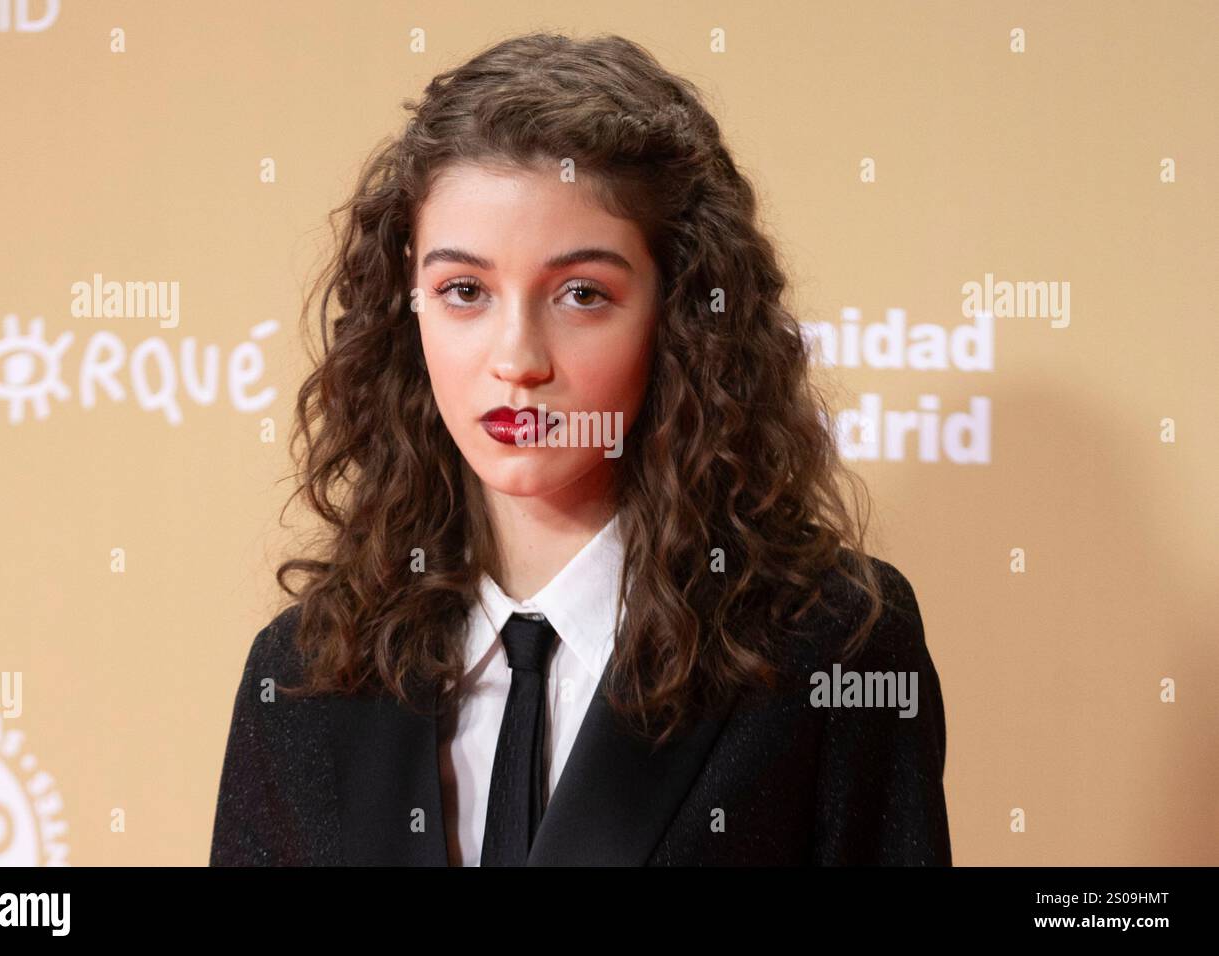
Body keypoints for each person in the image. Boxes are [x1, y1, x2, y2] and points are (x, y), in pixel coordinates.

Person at [209, 32, 951, 866]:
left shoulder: (833, 643)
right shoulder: (303, 673)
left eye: (581, 294)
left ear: (680, 314)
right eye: (464, 292)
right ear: (404, 307)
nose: (518, 360)